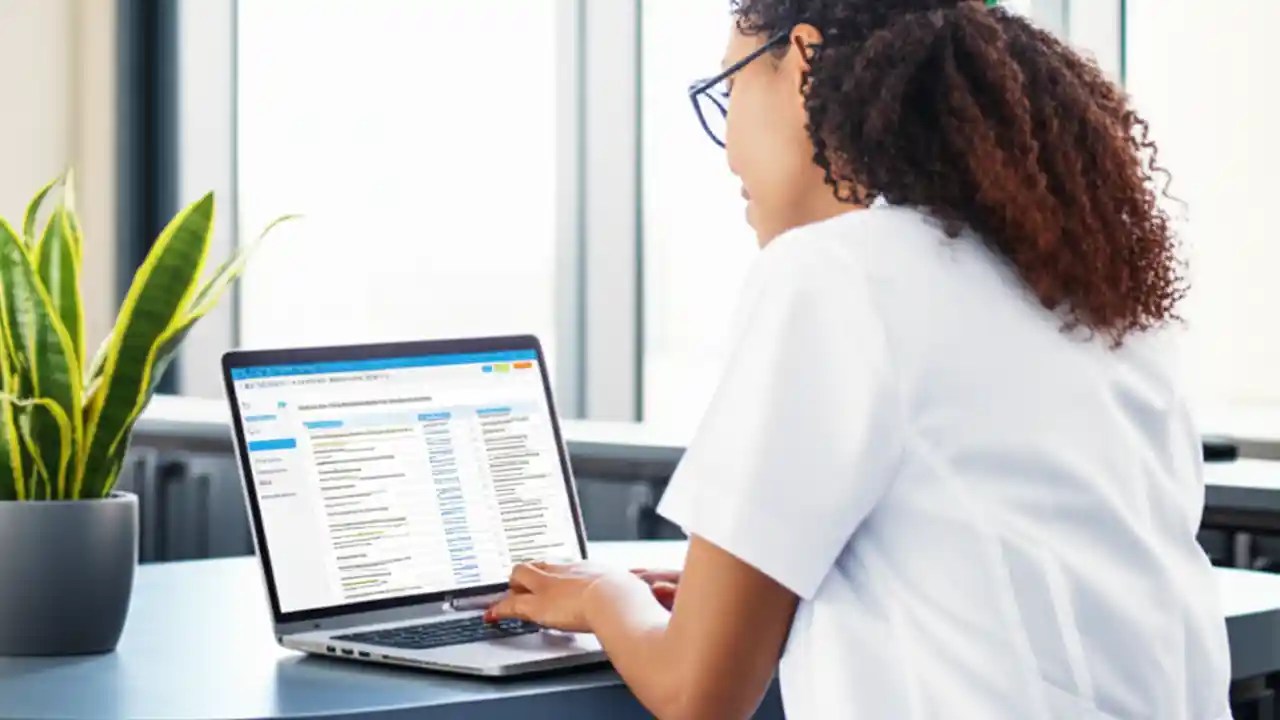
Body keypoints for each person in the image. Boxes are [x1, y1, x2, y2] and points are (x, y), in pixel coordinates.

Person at [487, 1, 1231, 717]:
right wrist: (751, 589)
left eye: (730, 85)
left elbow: (695, 693)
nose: (729, 151)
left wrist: (599, 596)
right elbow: (1010, 572)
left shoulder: (837, 273)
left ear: (802, 61)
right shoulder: (1093, 297)